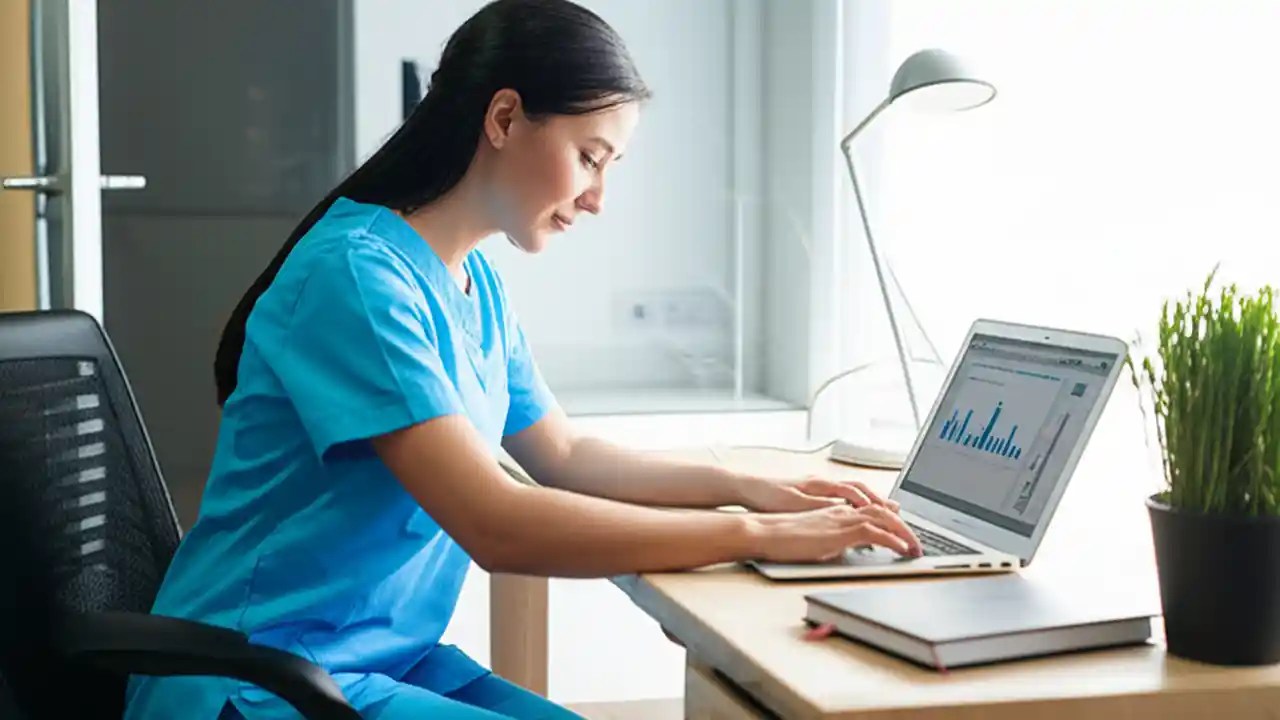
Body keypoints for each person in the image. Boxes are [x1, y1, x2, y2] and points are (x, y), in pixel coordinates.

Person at [124, 1, 922, 718]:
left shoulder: (474, 286)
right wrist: (754, 534)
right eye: (590, 156)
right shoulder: (358, 278)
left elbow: (565, 455)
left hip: (380, 661)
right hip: (256, 679)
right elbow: (495, 525)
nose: (598, 196)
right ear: (504, 118)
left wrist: (750, 489)